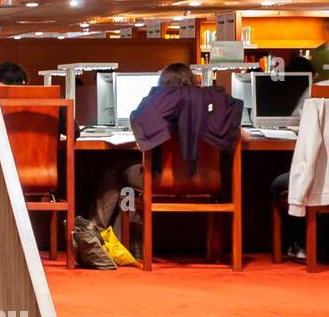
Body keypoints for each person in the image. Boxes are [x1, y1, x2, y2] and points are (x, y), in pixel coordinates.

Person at [78, 62, 243, 267]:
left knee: (114, 168)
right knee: (126, 182)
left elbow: (140, 124)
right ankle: (121, 240)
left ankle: (97, 231)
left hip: (161, 180)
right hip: (208, 181)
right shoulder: (213, 104)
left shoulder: (158, 105)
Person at [270, 56, 315, 260]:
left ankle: (295, 244)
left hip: (314, 174)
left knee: (285, 183)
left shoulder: (316, 92)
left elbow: (299, 119)